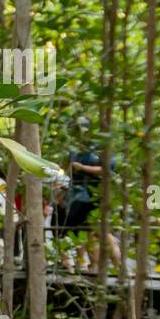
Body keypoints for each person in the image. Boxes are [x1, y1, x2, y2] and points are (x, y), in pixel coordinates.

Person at [59, 116, 120, 271]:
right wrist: (61, 188)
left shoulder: (99, 147)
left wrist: (83, 168)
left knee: (100, 232)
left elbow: (108, 170)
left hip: (94, 196)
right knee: (80, 232)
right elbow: (65, 170)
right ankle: (86, 266)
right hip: (76, 197)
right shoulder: (73, 150)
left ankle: (118, 266)